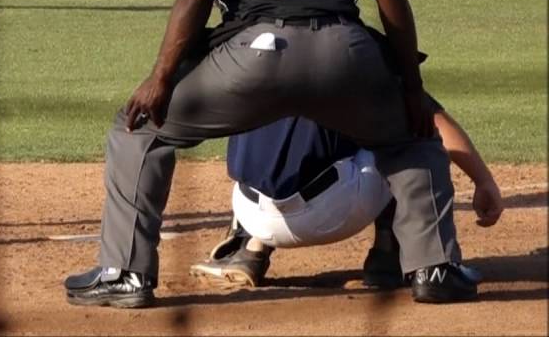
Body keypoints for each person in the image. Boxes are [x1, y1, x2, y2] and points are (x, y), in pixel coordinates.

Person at [64, 0, 479, 309]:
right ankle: (434, 269)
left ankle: (125, 274)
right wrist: (410, 83)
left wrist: (160, 78)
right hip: (344, 52)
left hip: (251, 57)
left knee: (138, 130)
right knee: (413, 136)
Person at [189, 110, 503, 289]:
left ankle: (249, 249)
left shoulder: (249, 44)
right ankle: (391, 256)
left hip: (247, 209)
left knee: (263, 131)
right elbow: (433, 121)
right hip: (332, 212)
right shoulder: (351, 49)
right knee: (404, 126)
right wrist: (483, 180)